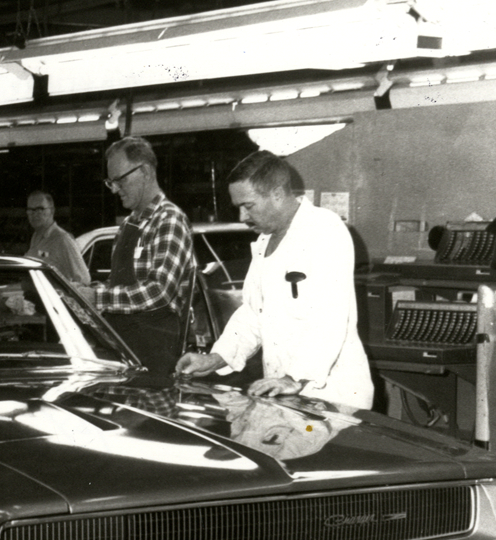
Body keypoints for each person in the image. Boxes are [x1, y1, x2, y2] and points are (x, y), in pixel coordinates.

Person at [175, 151, 373, 408]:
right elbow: (253, 313)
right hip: (285, 391)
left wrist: (295, 377)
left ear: (277, 194)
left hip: (329, 392)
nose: (242, 218)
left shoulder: (324, 229)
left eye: (248, 206)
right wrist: (216, 357)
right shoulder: (265, 241)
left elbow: (330, 315)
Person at [92, 136, 195, 373]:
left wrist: (96, 298)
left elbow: (159, 292)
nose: (115, 189)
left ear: (146, 171)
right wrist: (86, 291)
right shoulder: (129, 225)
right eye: (111, 182)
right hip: (124, 352)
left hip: (157, 357)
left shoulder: (169, 220)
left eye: (120, 180)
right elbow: (118, 284)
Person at [24, 191, 90, 287]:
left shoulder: (62, 239)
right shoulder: (35, 236)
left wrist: (57, 291)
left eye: (40, 209)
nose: (35, 214)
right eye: (30, 210)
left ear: (52, 210)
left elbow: (84, 280)